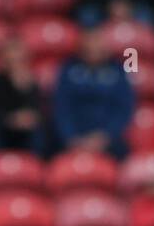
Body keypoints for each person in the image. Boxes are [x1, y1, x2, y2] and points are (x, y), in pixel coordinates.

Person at [53, 26, 135, 158]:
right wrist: (71, 138)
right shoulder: (68, 70)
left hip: (109, 141)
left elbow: (124, 110)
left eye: (97, 43)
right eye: (89, 43)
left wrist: (105, 137)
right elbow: (62, 108)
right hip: (73, 140)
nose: (93, 48)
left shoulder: (118, 71)